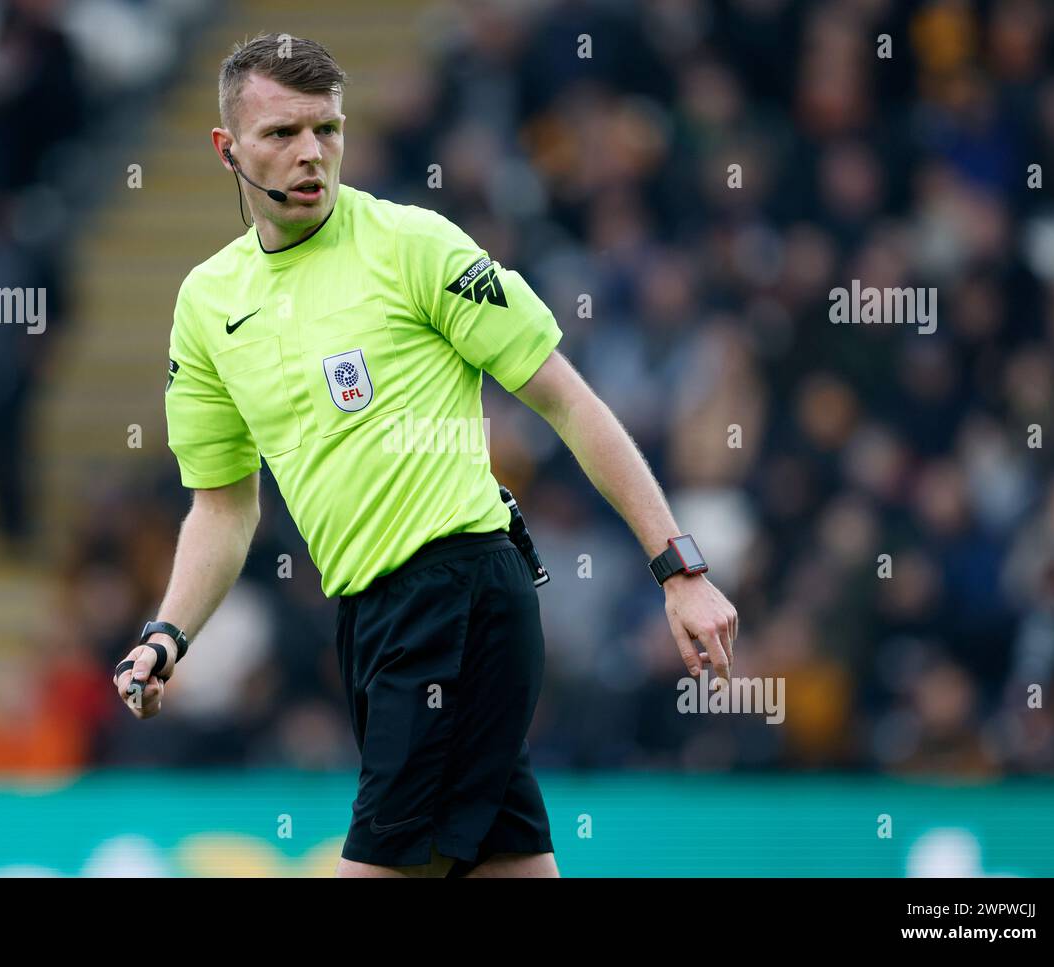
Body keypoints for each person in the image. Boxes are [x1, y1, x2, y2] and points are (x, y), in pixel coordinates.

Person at [112, 33, 739, 878]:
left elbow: (565, 397)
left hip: (459, 591)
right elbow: (224, 506)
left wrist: (679, 567)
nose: (311, 154)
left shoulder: (414, 245)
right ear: (228, 149)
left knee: (379, 862)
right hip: (367, 618)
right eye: (282, 134)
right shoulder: (207, 304)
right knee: (507, 862)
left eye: (327, 130)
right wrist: (168, 633)